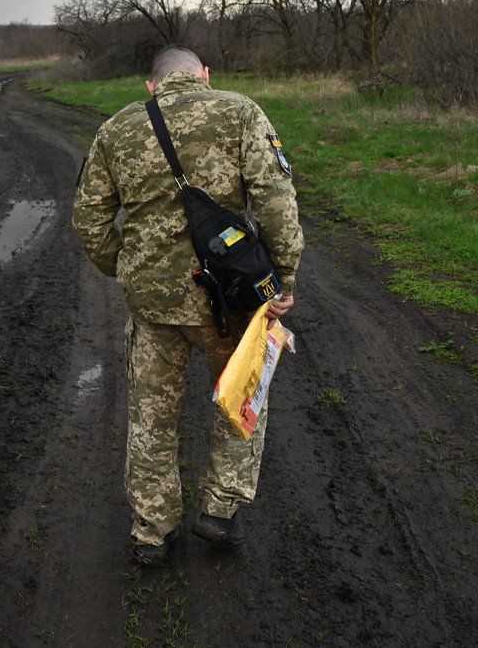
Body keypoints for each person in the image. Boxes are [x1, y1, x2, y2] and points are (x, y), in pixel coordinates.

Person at [72, 44, 304, 566]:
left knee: (152, 419)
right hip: (234, 302)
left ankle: (153, 531)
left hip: (153, 309)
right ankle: (220, 511)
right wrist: (281, 281)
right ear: (204, 76)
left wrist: (127, 269)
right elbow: (275, 201)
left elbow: (88, 219)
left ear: (150, 86)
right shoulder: (241, 111)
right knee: (242, 401)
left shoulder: (116, 130)